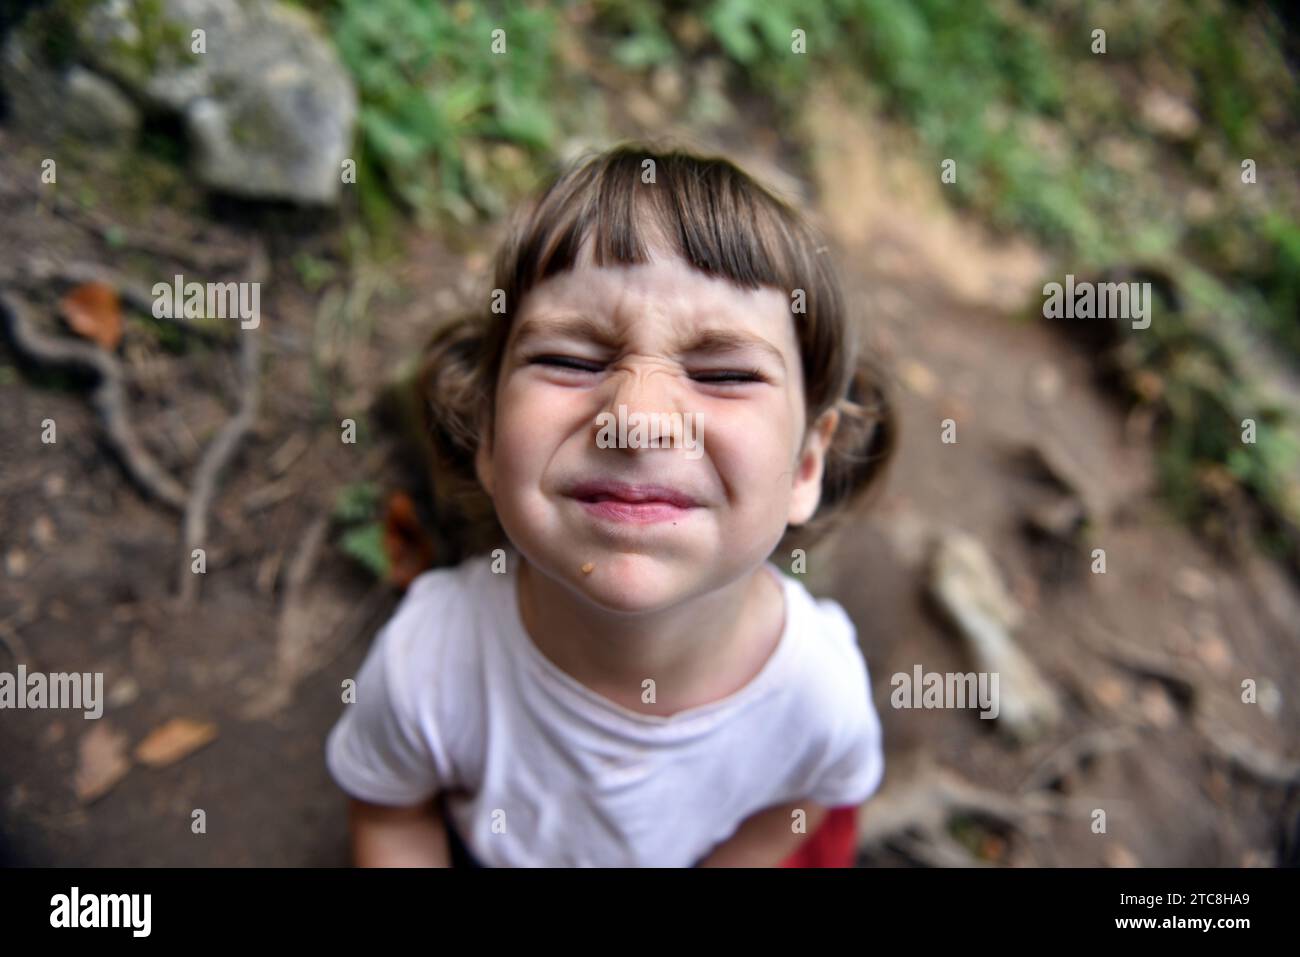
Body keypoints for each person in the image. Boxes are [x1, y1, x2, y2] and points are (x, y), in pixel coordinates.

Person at [326, 143, 897, 867]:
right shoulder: (428, 663)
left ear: (806, 463)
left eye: (723, 373)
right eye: (569, 360)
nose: (637, 419)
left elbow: (799, 807)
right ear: (492, 436)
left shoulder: (820, 699)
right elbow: (394, 812)